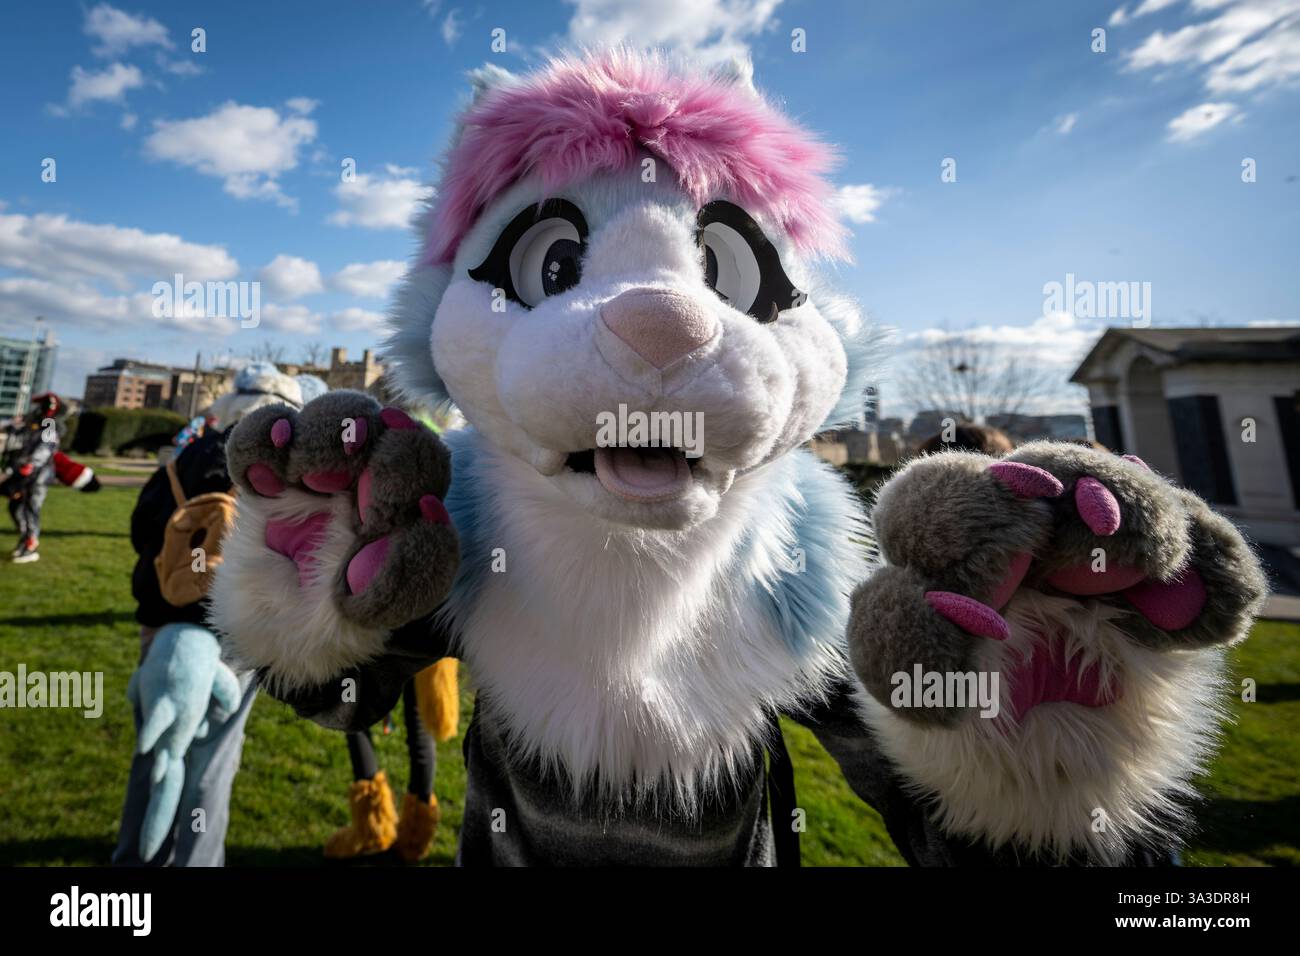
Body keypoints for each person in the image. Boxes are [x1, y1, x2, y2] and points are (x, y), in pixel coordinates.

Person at [113, 363, 304, 866]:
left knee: (155, 743)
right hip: (234, 633)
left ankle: (133, 857)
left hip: (163, 623)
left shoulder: (184, 458)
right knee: (213, 761)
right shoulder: (276, 471)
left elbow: (141, 529)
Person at [2, 393, 67, 563]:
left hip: (38, 476)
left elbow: (45, 448)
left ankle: (31, 546)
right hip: (24, 473)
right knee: (15, 507)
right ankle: (24, 539)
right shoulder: (33, 423)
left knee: (31, 509)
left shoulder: (49, 424)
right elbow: (13, 430)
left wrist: (30, 464)